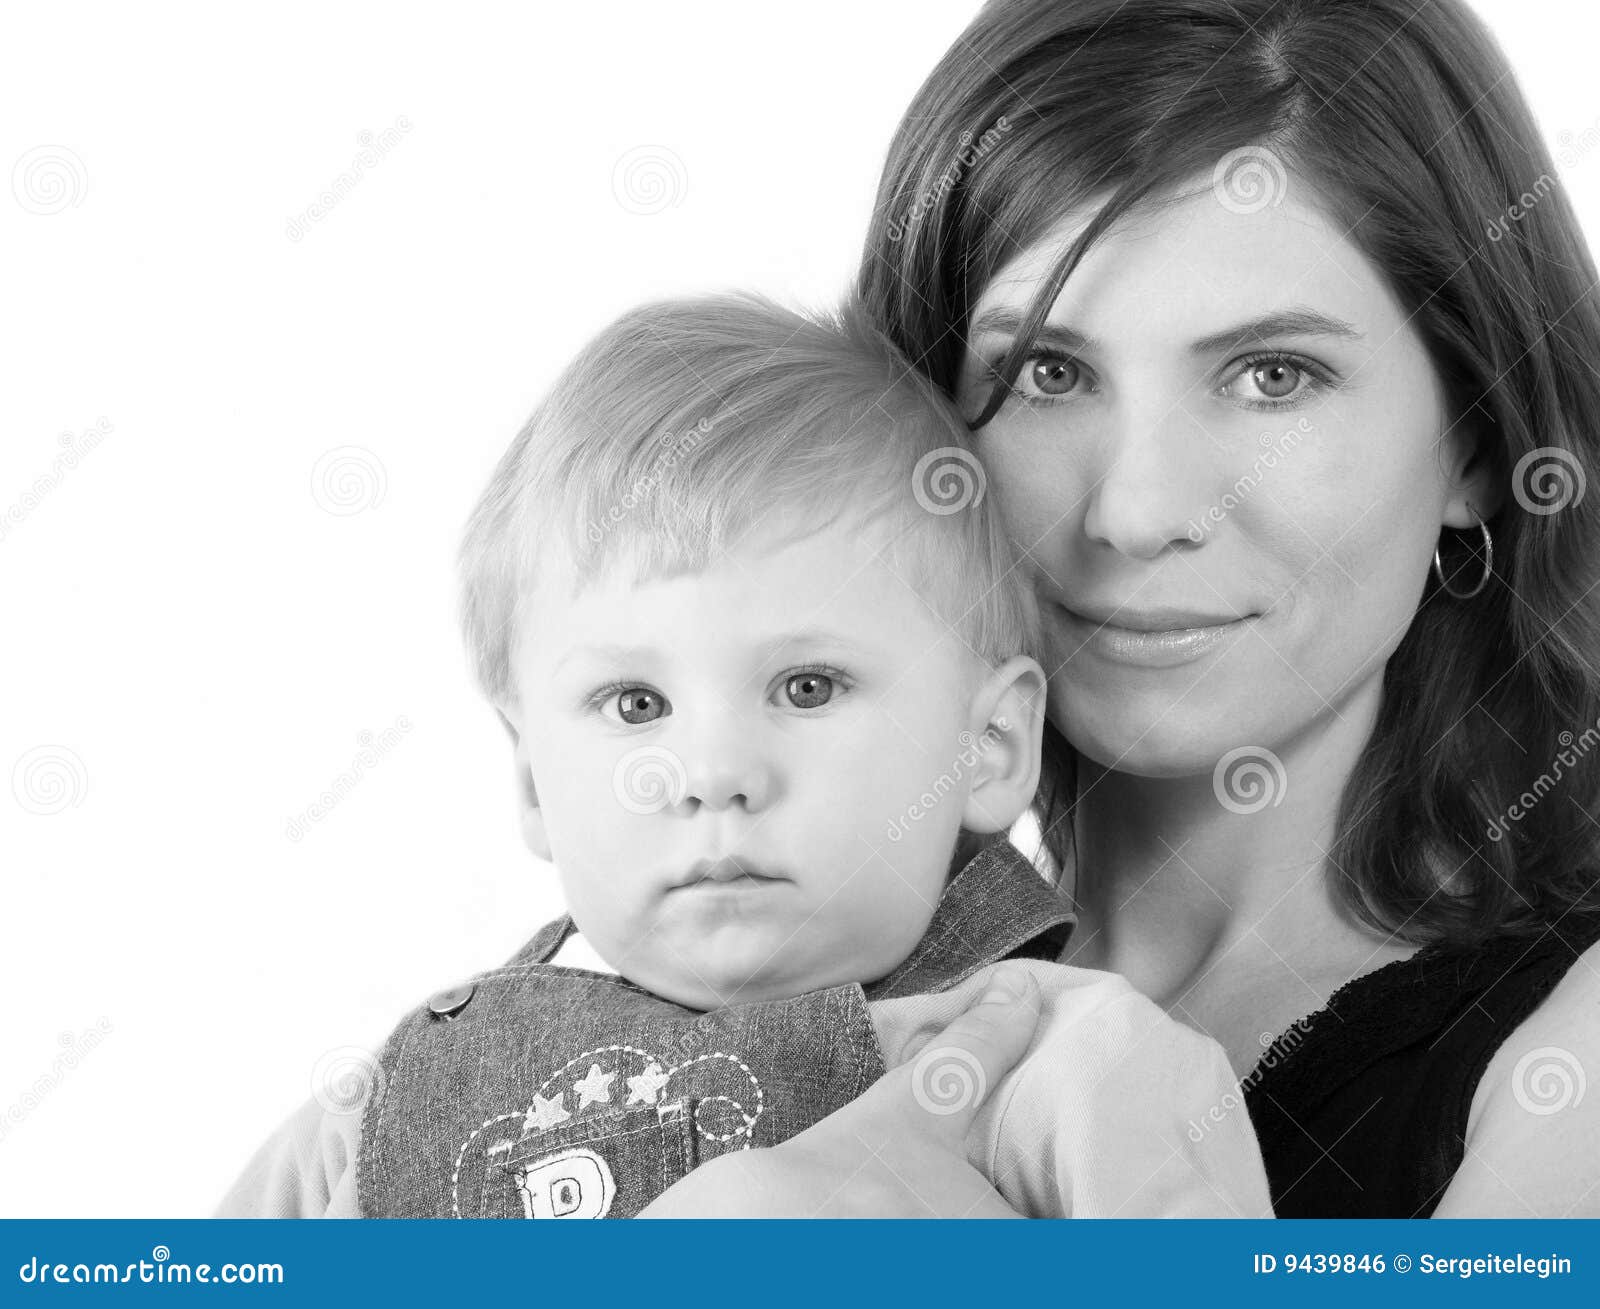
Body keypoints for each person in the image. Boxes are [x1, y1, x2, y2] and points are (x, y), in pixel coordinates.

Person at [641, 0, 1600, 1218]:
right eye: (1046, 371)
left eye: (1272, 376)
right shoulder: (739, 978)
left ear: (1476, 439)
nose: (1135, 511)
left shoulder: (1572, 1056)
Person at [214, 292, 1271, 1219]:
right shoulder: (385, 1118)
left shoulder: (1061, 1072)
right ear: (534, 779)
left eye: (806, 687)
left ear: (987, 744)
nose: (714, 773)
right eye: (634, 702)